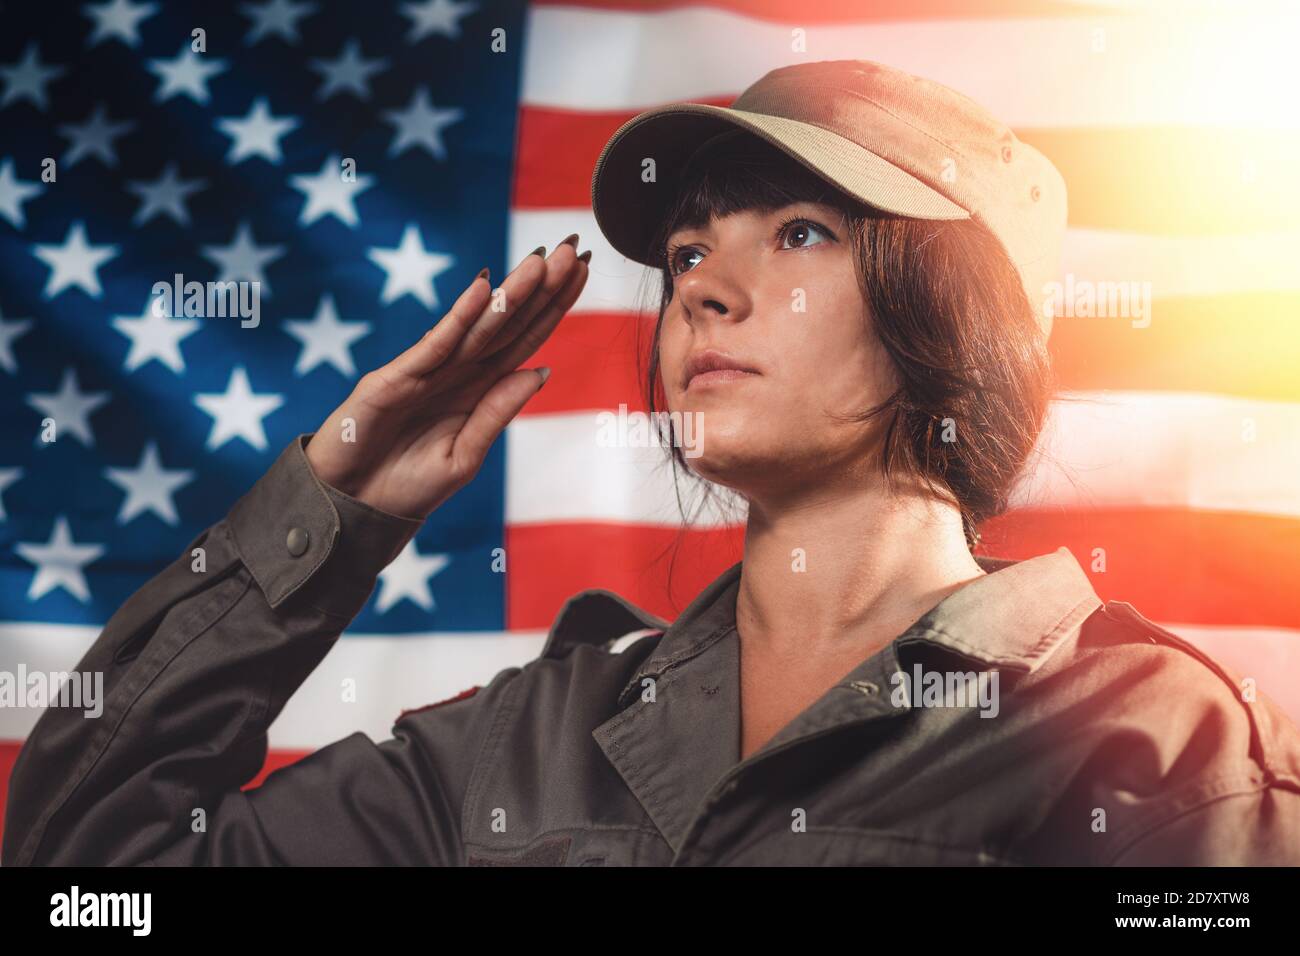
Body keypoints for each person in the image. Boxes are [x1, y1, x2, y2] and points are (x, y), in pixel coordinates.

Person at [5, 59, 1299, 867]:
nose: (706, 293)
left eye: (799, 234)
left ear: (951, 316)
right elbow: (91, 872)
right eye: (687, 252)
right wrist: (329, 515)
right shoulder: (526, 745)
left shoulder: (1148, 743)